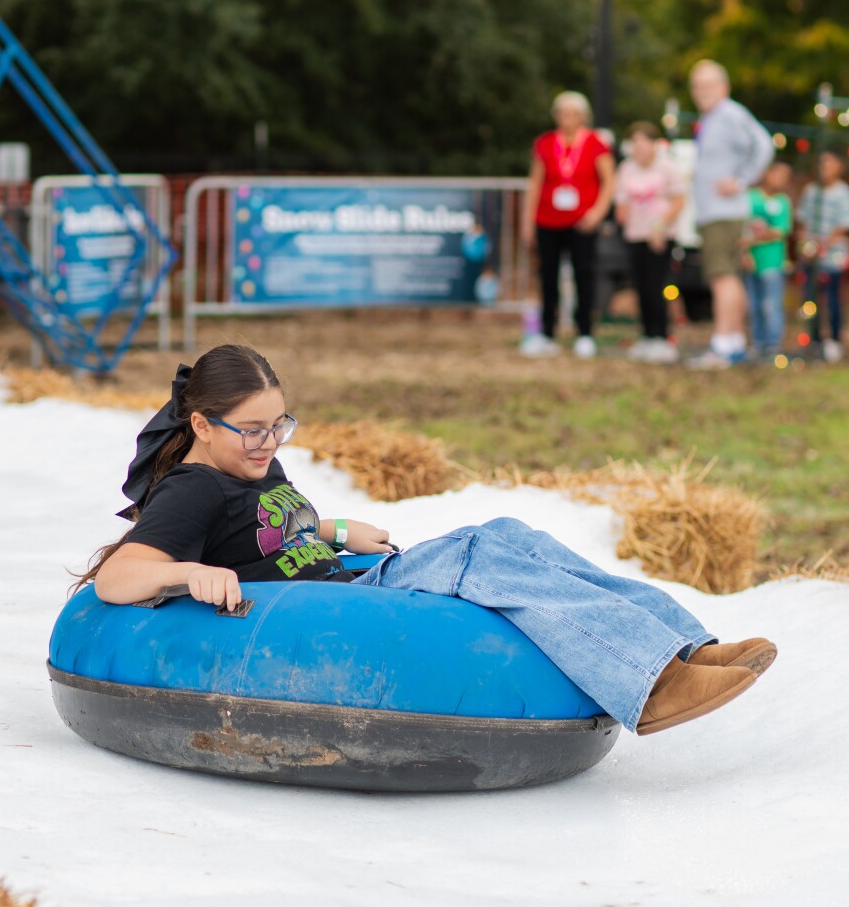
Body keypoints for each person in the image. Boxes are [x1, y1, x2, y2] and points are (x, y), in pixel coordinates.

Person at [82, 345, 776, 737]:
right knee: (480, 549)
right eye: (253, 430)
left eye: (279, 425)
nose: (270, 443)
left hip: (349, 573)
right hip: (344, 603)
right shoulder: (192, 488)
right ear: (203, 426)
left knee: (509, 533)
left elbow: (265, 527)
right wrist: (185, 576)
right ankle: (649, 686)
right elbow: (120, 575)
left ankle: (683, 643)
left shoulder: (251, 464)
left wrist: (332, 528)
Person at [685, 60, 774, 369]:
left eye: (708, 85)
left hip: (724, 213)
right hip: (715, 213)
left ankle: (723, 345)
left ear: (724, 87)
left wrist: (741, 181)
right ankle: (734, 343)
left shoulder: (729, 114)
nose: (702, 91)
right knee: (728, 277)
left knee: (722, 278)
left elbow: (763, 145)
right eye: (697, 85)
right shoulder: (711, 119)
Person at [520, 91, 614, 358]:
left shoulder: (596, 144)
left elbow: (609, 181)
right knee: (548, 277)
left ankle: (584, 332)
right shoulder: (545, 143)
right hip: (548, 220)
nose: (567, 118)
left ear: (583, 116)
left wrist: (597, 213)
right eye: (562, 113)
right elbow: (535, 183)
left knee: (583, 275)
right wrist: (529, 221)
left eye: (573, 113)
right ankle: (547, 333)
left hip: (582, 222)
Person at [614, 121, 686, 363]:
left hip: (660, 235)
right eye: (634, 142)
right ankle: (646, 335)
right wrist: (622, 213)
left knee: (658, 286)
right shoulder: (626, 169)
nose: (639, 147)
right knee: (641, 286)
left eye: (643, 142)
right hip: (636, 234)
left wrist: (660, 225)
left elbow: (679, 199)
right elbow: (622, 199)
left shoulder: (667, 167)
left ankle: (661, 336)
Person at [796, 150, 849, 362]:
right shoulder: (811, 191)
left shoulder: (844, 192)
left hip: (834, 256)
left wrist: (822, 245)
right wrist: (806, 246)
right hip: (812, 257)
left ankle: (834, 340)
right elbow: (803, 222)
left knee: (832, 299)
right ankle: (814, 340)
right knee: (810, 299)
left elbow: (844, 224)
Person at [744, 162, 794, 358]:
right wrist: (746, 253)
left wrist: (752, 239)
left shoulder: (783, 202)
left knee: (771, 305)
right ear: (767, 174)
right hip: (751, 262)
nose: (781, 180)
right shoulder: (750, 198)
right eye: (778, 174)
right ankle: (757, 343)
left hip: (773, 262)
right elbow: (742, 228)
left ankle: (773, 344)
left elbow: (779, 232)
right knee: (754, 305)